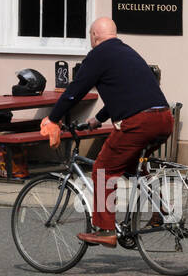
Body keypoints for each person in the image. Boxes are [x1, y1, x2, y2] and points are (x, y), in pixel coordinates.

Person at [45, 17, 171, 248]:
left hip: (139, 123)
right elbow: (125, 94)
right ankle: (160, 210)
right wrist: (97, 120)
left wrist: (53, 118)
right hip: (163, 118)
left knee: (102, 168)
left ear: (94, 35)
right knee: (132, 167)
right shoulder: (128, 52)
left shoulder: (99, 55)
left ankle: (105, 230)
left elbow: (75, 91)